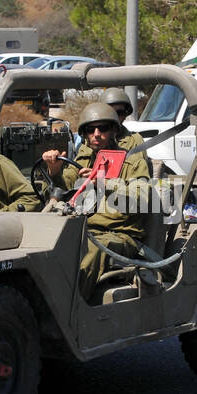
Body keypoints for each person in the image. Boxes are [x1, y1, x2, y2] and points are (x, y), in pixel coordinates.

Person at [42, 102, 151, 299]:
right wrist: (55, 170)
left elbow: (141, 198)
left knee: (91, 252)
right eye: (91, 130)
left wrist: (105, 182)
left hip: (120, 234)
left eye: (103, 128)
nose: (97, 134)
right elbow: (66, 187)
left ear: (114, 131)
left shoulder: (133, 162)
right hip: (82, 228)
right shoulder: (84, 161)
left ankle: (70, 307)